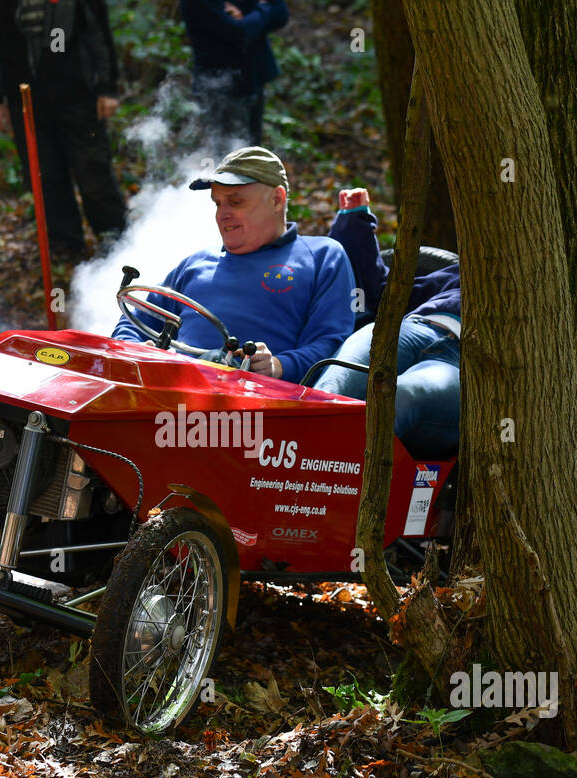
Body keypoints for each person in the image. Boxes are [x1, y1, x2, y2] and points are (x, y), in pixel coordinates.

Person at [111, 146, 354, 383]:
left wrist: (279, 366)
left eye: (235, 202)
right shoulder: (196, 263)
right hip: (172, 393)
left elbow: (331, 343)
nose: (222, 214)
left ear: (277, 200)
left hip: (263, 407)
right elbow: (134, 318)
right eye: (217, 203)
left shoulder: (322, 256)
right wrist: (133, 350)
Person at [312, 188, 461, 461]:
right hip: (410, 327)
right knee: (330, 392)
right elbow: (385, 294)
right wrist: (354, 221)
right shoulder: (459, 273)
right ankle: (285, 481)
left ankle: (334, 485)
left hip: (461, 363)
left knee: (400, 397)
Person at [0, 0, 128, 260]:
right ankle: (65, 246)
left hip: (77, 89)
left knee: (92, 168)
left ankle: (115, 241)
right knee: (44, 173)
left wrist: (107, 85)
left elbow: (97, 28)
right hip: (24, 94)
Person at [180, 0, 289, 146]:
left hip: (253, 79)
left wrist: (253, 17)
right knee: (228, 157)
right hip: (220, 89)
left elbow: (281, 13)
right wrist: (261, 12)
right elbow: (238, 33)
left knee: (251, 154)